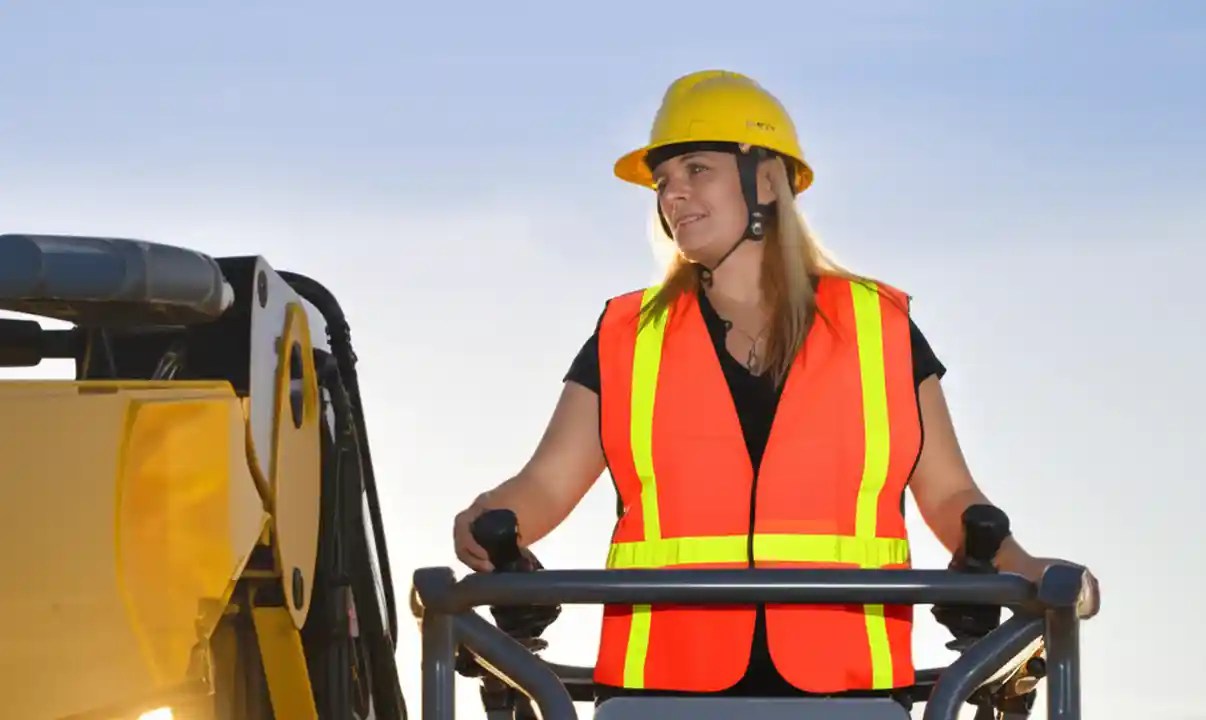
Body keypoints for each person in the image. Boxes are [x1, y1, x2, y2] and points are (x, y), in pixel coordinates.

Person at [451, 69, 1099, 706]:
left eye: (696, 169)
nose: (673, 195)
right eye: (663, 181)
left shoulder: (882, 328)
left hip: (851, 692)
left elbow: (953, 496)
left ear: (766, 181)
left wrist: (1029, 567)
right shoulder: (629, 334)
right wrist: (490, 514)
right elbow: (546, 484)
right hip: (662, 692)